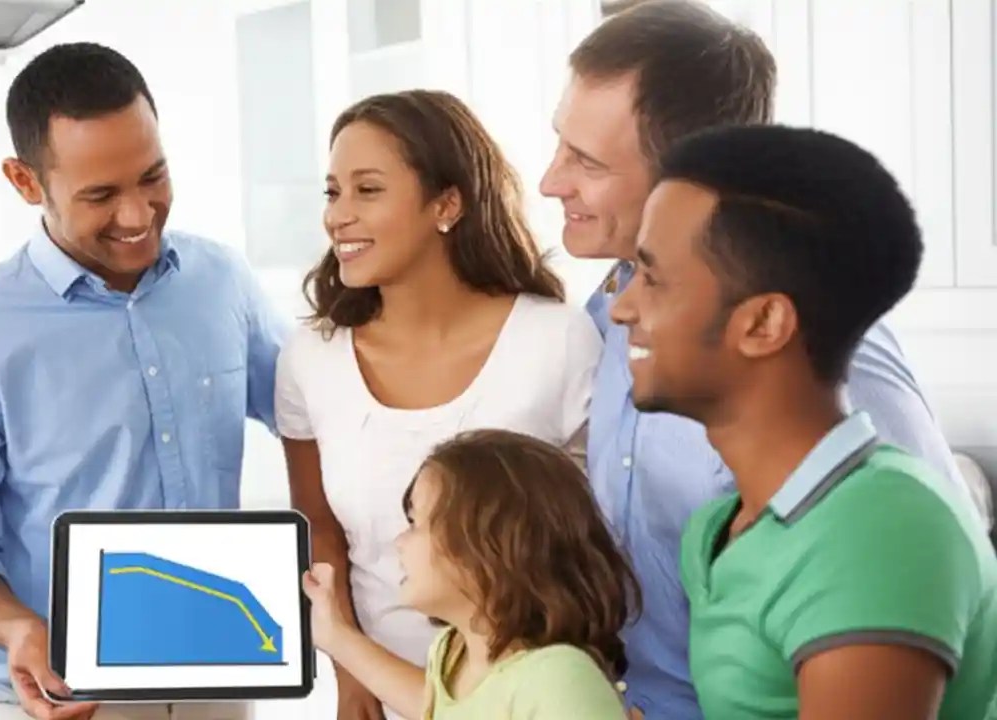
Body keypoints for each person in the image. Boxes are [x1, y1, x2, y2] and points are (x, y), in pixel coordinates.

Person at [537, 2, 972, 717]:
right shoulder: (612, 310)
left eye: (585, 161)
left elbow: (914, 596)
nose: (551, 181)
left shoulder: (830, 358)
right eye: (561, 145)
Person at [0, 42, 286, 720]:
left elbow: (323, 413)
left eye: (153, 177)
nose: (138, 216)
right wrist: (18, 627)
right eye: (101, 195)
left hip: (217, 683)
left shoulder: (221, 282)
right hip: (67, 699)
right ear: (25, 182)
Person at [611, 123, 997, 719]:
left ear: (764, 324)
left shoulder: (875, 533)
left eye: (653, 279)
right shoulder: (720, 530)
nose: (621, 307)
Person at [275, 89, 602, 720]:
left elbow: (600, 537)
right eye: (332, 192)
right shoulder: (310, 358)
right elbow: (319, 528)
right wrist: (350, 675)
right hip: (379, 690)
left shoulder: (556, 340)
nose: (338, 215)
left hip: (532, 698)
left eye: (367, 190)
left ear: (446, 204)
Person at [303, 429, 639, 719]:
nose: (400, 543)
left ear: (488, 549)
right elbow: (436, 707)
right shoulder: (453, 654)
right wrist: (335, 635)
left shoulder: (558, 680)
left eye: (415, 523)